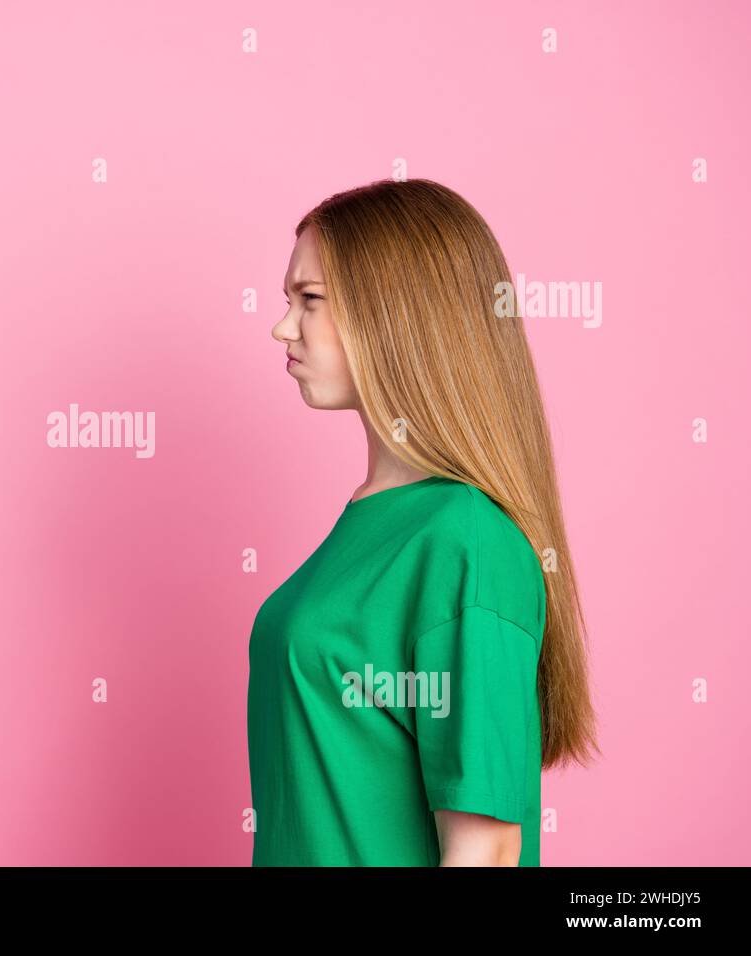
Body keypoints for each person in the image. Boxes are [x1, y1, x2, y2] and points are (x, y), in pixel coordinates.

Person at [247, 178, 599, 866]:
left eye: (309, 300)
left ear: (397, 315)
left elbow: (488, 850)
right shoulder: (376, 523)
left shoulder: (464, 540)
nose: (282, 326)